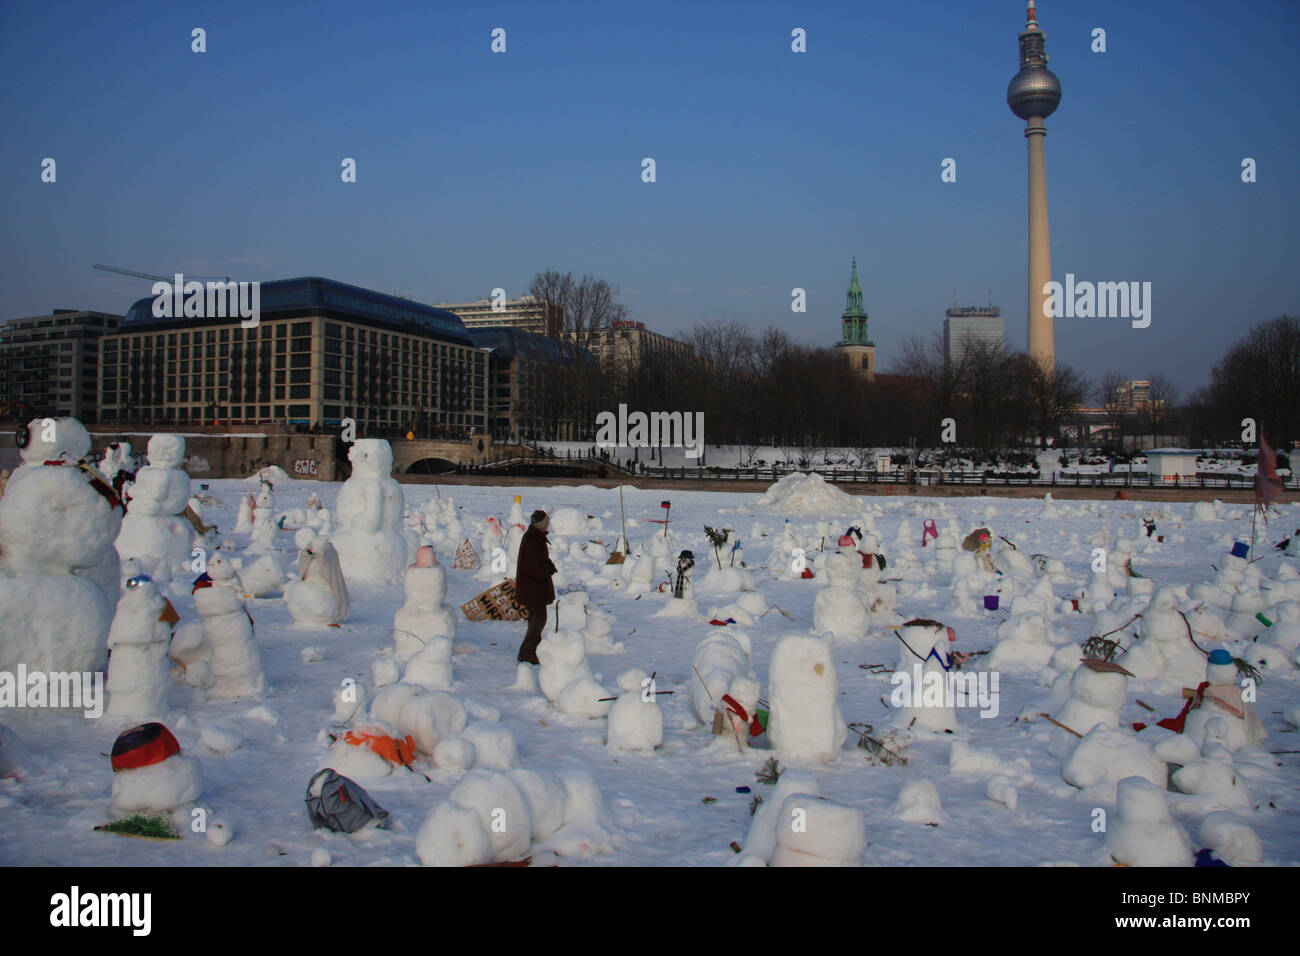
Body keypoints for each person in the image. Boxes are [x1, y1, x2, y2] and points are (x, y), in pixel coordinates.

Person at [514, 509, 556, 665]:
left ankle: (532, 650)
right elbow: (533, 567)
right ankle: (526, 652)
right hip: (534, 588)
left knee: (536, 619)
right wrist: (548, 568)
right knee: (539, 620)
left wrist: (547, 565)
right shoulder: (534, 539)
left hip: (532, 587)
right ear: (542, 524)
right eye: (547, 523)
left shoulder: (533, 536)